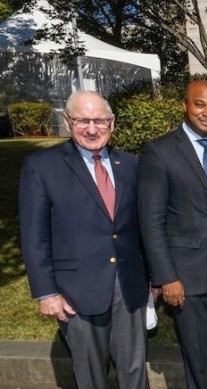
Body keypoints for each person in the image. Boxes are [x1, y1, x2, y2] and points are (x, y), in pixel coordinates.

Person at [19, 90, 149, 388]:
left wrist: (153, 278)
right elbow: (34, 236)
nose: (92, 129)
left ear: (112, 123)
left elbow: (141, 225)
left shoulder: (131, 165)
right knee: (90, 377)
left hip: (129, 285)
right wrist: (46, 292)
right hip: (76, 292)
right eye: (82, 120)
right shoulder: (42, 166)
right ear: (67, 122)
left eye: (100, 121)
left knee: (134, 372)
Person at [138, 80, 207, 389]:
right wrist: (166, 277)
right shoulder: (159, 153)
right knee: (198, 362)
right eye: (200, 105)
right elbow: (151, 222)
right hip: (186, 278)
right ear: (184, 105)